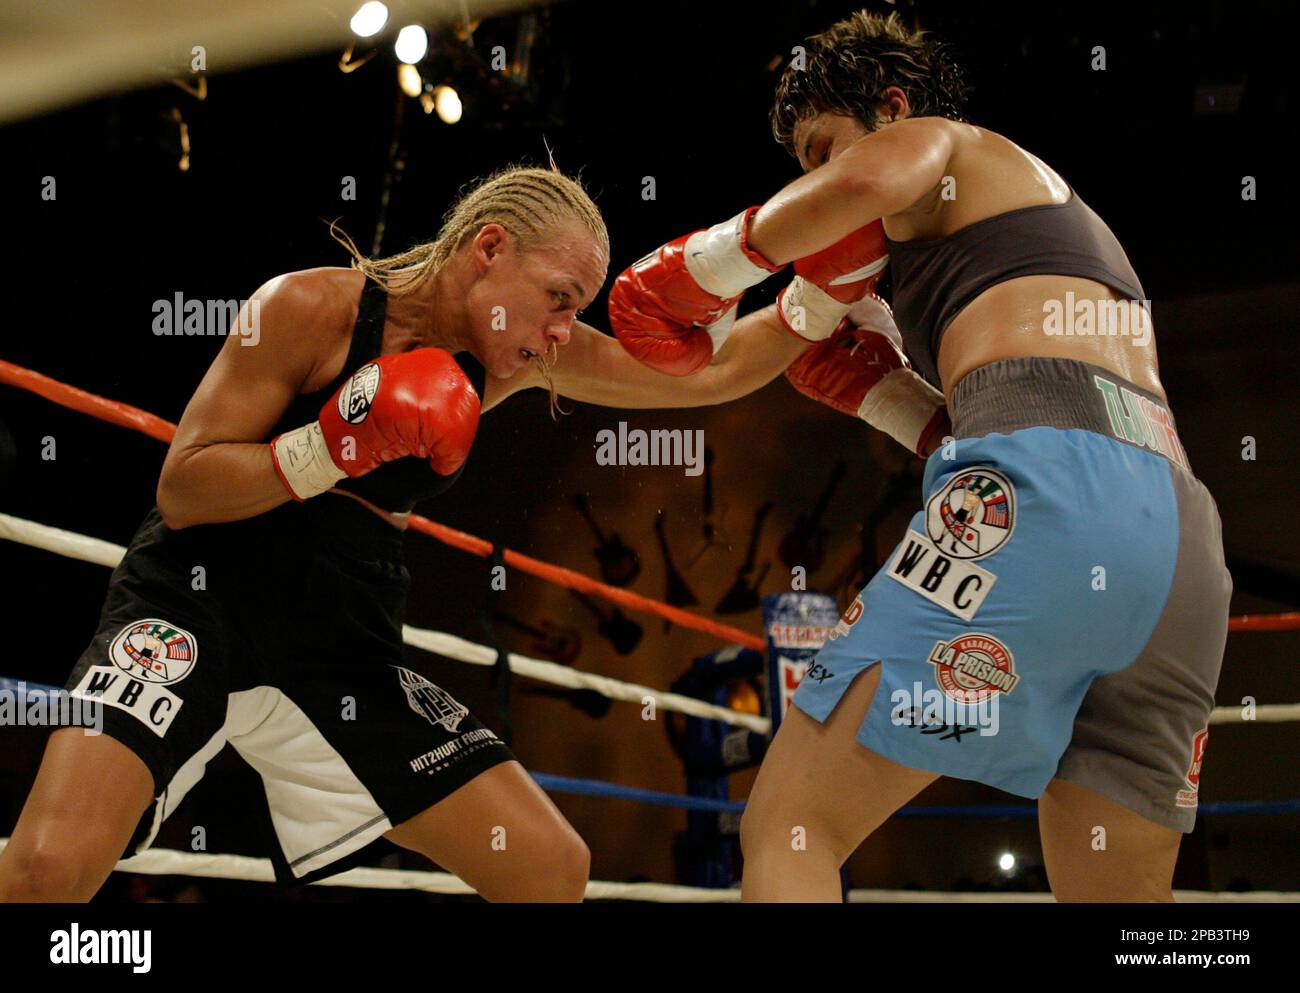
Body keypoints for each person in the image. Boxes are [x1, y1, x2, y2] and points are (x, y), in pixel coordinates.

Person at [602, 9, 1231, 902]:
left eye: (822, 151)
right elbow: (731, 370)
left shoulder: (945, 146)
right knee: (1128, 914)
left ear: (890, 108)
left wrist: (702, 267)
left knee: (791, 826)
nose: (818, 185)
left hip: (1049, 492)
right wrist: (882, 391)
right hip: (1179, 540)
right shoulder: (1017, 222)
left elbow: (873, 177)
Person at [0, 166, 614, 902]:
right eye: (560, 299)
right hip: (194, 603)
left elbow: (700, 375)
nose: (562, 331)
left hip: (337, 641)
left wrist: (762, 279)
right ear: (490, 248)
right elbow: (184, 486)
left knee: (549, 866)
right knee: (44, 870)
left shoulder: (514, 361)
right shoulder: (308, 307)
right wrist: (328, 447)